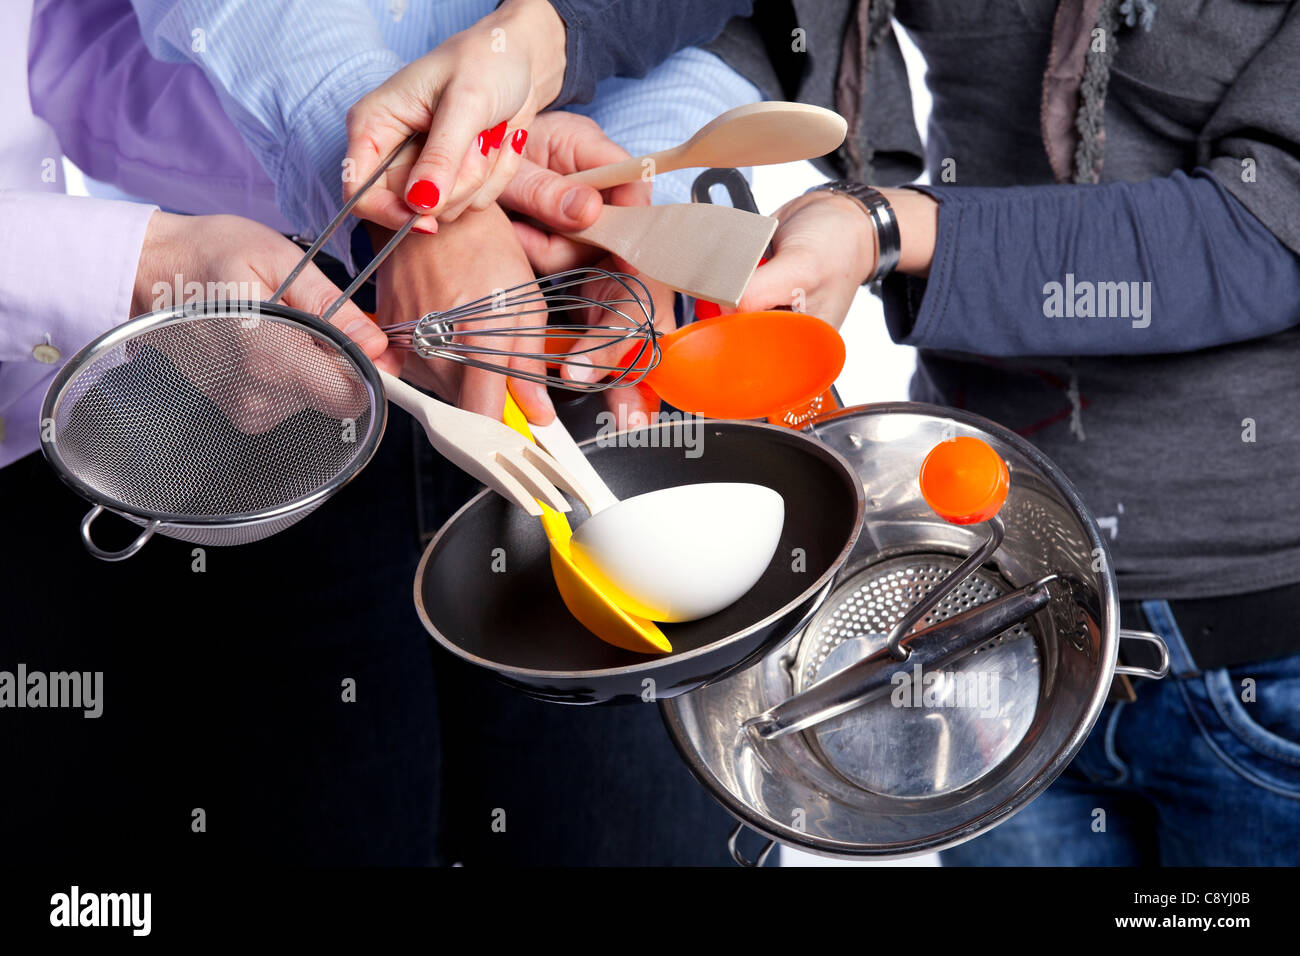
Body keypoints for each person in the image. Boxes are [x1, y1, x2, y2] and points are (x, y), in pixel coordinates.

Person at [7, 0, 769, 865]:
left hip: (579, 307)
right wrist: (423, 196)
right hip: (235, 356)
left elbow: (755, 23)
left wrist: (626, 204)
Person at [709, 0, 1300, 864]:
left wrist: (887, 226)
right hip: (985, 615)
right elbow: (750, 21)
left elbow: (1268, 228)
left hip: (1261, 646)